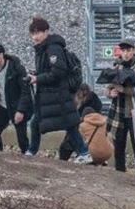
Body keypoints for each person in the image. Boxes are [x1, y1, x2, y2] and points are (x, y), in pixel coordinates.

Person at [16, 17, 92, 164]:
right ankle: (32, 151)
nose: (35, 36)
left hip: (57, 95)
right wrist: (37, 74)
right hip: (49, 95)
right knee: (37, 122)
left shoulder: (53, 48)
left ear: (46, 32)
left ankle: (83, 152)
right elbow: (49, 71)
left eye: (38, 33)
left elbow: (58, 72)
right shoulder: (43, 48)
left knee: (68, 124)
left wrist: (38, 79)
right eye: (33, 33)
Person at [105, 41, 135, 177]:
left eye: (128, 50)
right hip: (118, 112)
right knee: (118, 147)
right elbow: (108, 86)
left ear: (133, 50)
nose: (126, 54)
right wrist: (110, 93)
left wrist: (124, 89)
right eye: (123, 51)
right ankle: (120, 177)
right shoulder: (116, 66)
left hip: (134, 112)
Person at [59, 84, 103, 160]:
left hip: (85, 132)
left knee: (67, 147)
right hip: (84, 132)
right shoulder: (89, 101)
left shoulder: (88, 106)